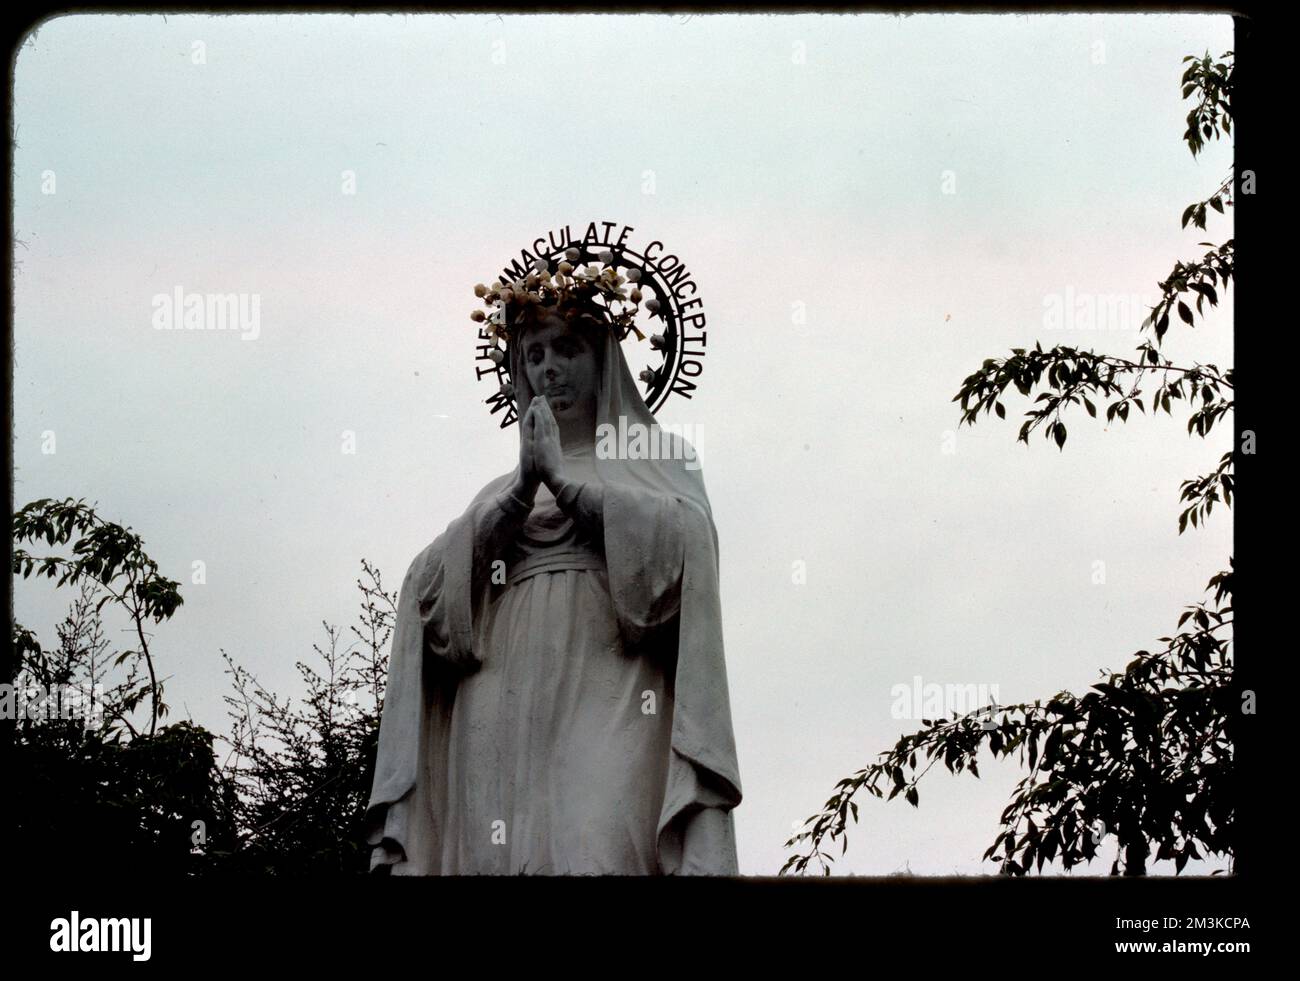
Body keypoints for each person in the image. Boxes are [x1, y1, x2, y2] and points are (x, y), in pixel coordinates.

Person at [364, 260, 741, 874]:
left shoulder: (656, 460)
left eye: (566, 348)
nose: (549, 368)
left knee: (596, 843)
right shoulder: (497, 491)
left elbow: (684, 557)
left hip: (614, 685)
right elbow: (426, 594)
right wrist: (518, 495)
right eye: (533, 354)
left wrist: (568, 488)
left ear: (604, 360)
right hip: (499, 694)